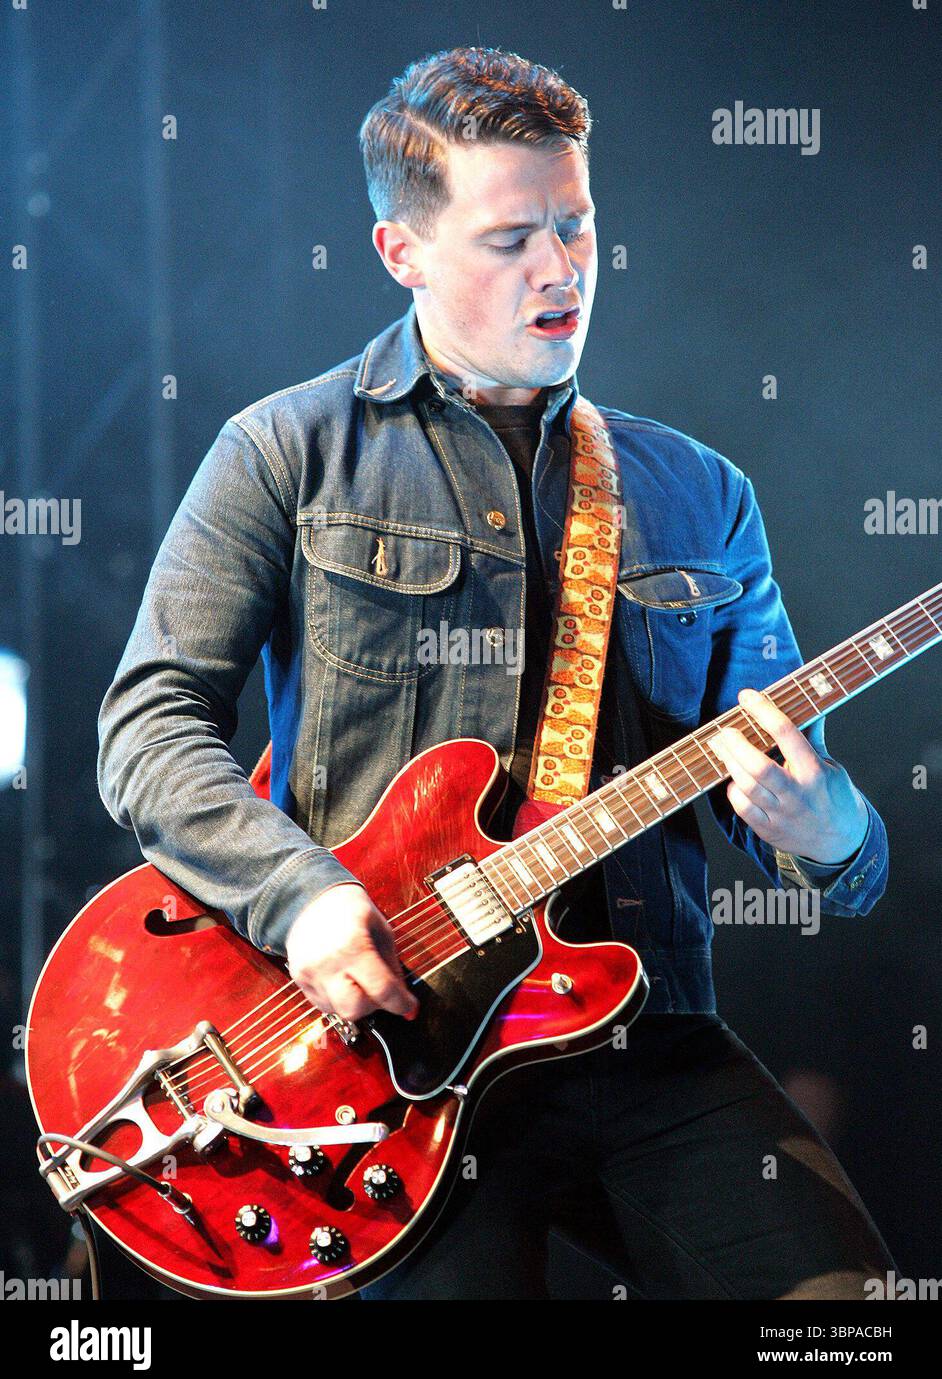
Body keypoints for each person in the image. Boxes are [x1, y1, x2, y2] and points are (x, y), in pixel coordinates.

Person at [98, 47, 896, 1299]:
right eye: (511, 236)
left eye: (577, 226)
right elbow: (147, 726)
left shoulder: (699, 491)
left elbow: (827, 839)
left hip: (644, 1037)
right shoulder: (283, 451)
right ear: (400, 253)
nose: (562, 268)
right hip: (395, 1055)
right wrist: (300, 899)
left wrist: (825, 823)